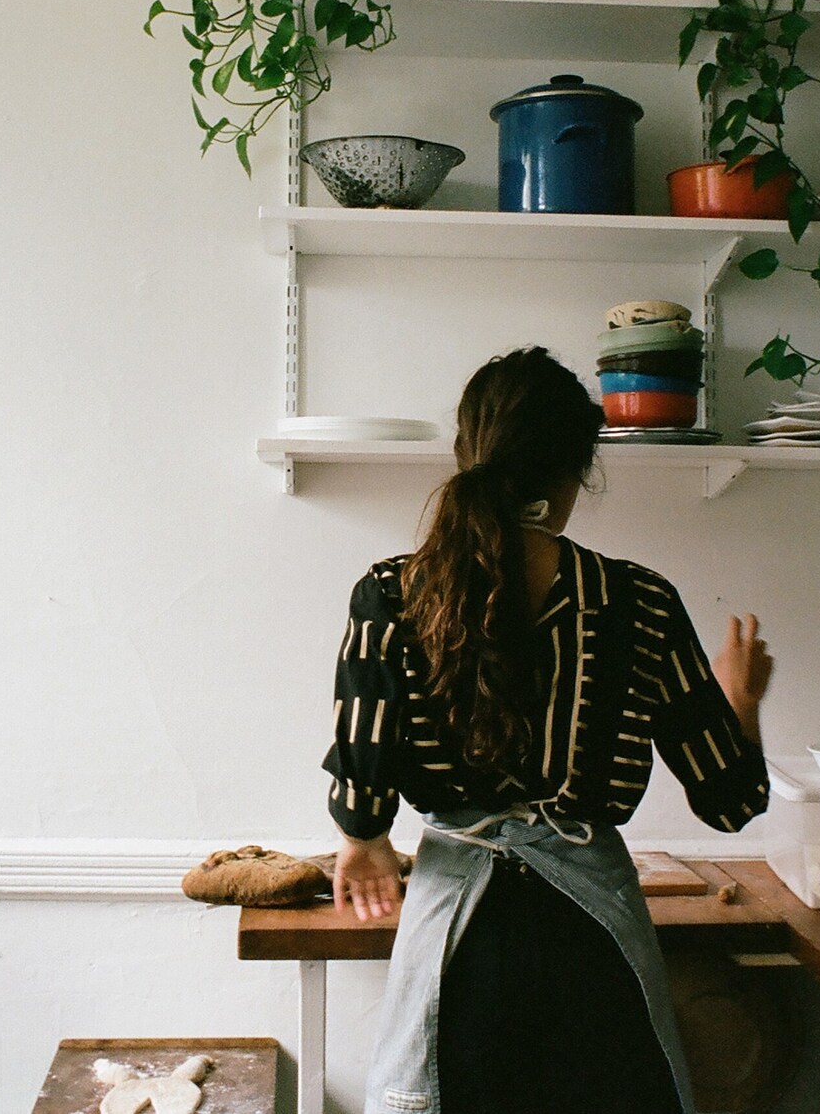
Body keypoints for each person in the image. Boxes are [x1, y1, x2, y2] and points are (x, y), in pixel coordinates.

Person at [322, 346, 774, 1114]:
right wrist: (739, 698)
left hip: (460, 949)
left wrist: (362, 838)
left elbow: (365, 765)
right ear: (576, 474)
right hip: (591, 947)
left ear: (469, 454)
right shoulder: (641, 601)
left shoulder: (392, 592)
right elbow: (731, 797)